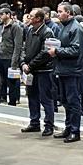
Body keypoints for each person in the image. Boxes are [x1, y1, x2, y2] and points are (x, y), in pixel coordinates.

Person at [20, 8, 56, 136]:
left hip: (43, 70)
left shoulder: (47, 32)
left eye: (31, 16)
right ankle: (34, 122)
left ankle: (49, 125)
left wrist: (30, 65)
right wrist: (23, 62)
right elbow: (25, 48)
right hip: (30, 71)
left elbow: (45, 53)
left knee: (46, 99)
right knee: (32, 97)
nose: (28, 18)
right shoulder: (30, 30)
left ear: (38, 19)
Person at [53, 2, 83, 142]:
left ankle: (75, 130)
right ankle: (68, 127)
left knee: (73, 101)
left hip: (72, 69)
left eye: (60, 11)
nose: (58, 14)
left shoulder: (76, 28)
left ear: (69, 13)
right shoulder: (63, 27)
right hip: (63, 68)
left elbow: (75, 50)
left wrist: (56, 51)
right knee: (65, 101)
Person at [0, 6, 23, 107]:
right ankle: (2, 98)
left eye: (2, 14)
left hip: (10, 57)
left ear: (8, 15)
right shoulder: (0, 26)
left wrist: (14, 61)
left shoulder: (16, 27)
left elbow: (18, 46)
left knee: (12, 81)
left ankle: (12, 101)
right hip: (0, 56)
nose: (0, 16)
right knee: (0, 79)